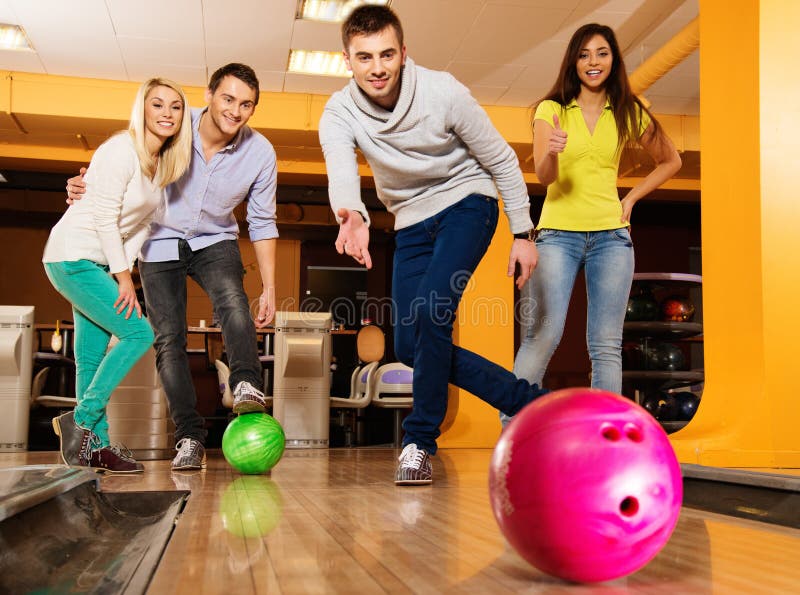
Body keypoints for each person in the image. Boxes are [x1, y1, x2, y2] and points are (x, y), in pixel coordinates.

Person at [319, 5, 547, 485]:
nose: (377, 68)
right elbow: (341, 169)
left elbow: (502, 160)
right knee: (409, 346)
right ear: (347, 60)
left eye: (386, 54)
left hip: (467, 203)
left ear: (403, 52)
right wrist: (353, 213)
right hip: (409, 221)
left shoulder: (442, 91)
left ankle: (418, 443)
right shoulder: (339, 111)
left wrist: (523, 233)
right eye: (364, 57)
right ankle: (528, 402)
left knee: (430, 314)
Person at [66, 63, 279, 471]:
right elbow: (128, 155)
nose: (235, 110)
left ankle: (246, 384)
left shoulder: (260, 152)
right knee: (169, 340)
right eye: (228, 99)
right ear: (210, 95)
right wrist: (86, 183)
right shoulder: (178, 123)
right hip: (158, 239)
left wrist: (269, 287)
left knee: (233, 302)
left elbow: (263, 221)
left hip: (215, 238)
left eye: (246, 104)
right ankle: (189, 438)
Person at [510, 24, 682, 412]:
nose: (593, 62)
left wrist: (631, 197)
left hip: (612, 238)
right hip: (557, 236)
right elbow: (545, 177)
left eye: (602, 53)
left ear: (613, 60)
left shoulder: (627, 111)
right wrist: (551, 151)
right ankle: (513, 425)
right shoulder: (551, 110)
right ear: (573, 61)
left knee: (606, 345)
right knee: (543, 336)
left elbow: (671, 160)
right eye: (584, 54)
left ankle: (605, 434)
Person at [44, 77, 192, 473]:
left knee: (90, 356)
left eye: (175, 107)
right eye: (157, 104)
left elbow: (141, 227)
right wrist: (123, 279)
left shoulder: (161, 167)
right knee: (139, 333)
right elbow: (105, 218)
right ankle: (80, 420)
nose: (167, 113)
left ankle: (95, 447)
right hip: (71, 255)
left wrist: (119, 272)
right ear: (142, 109)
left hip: (93, 263)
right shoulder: (120, 149)